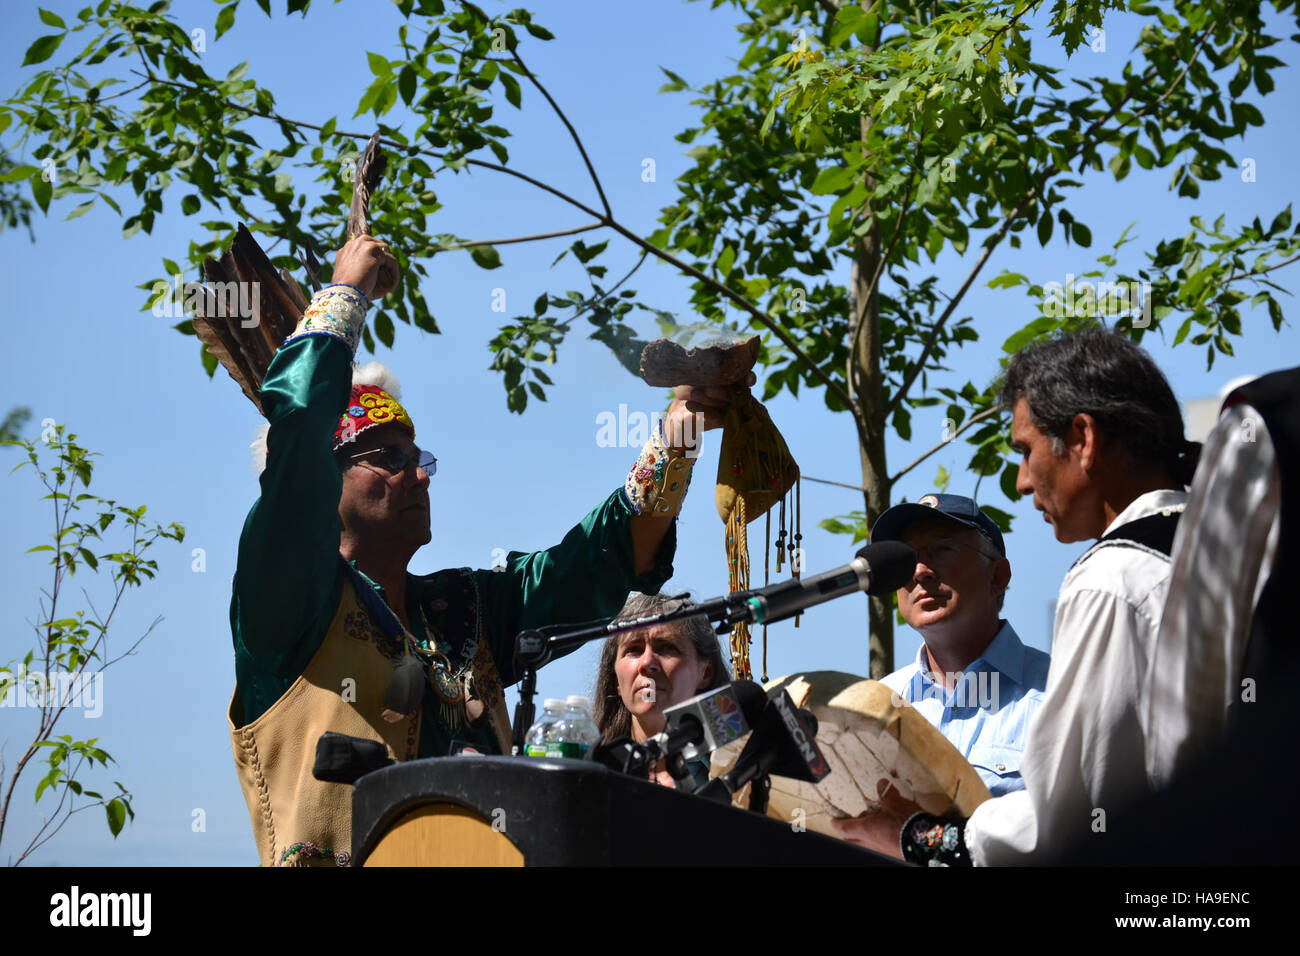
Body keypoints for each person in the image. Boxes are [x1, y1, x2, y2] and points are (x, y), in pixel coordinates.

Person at [226, 235, 748, 866]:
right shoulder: (284, 601)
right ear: (323, 480)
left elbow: (594, 563)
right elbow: (301, 431)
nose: (418, 474)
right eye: (388, 457)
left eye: (419, 459)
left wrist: (683, 426)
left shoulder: (464, 609)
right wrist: (346, 292)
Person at [833, 327, 1198, 865]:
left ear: (1083, 438)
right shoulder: (1211, 545)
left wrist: (919, 839)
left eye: (1026, 452)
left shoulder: (1113, 579)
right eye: (907, 559)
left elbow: (1072, 817)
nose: (1023, 482)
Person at [857, 493, 1049, 799]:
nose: (920, 571)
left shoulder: (1059, 693)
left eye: (942, 550)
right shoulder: (877, 705)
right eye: (906, 559)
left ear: (997, 576)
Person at [592, 592, 731, 790]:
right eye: (634, 649)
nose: (647, 662)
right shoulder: (588, 770)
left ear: (706, 673)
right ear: (616, 680)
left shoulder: (737, 768)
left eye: (667, 648)